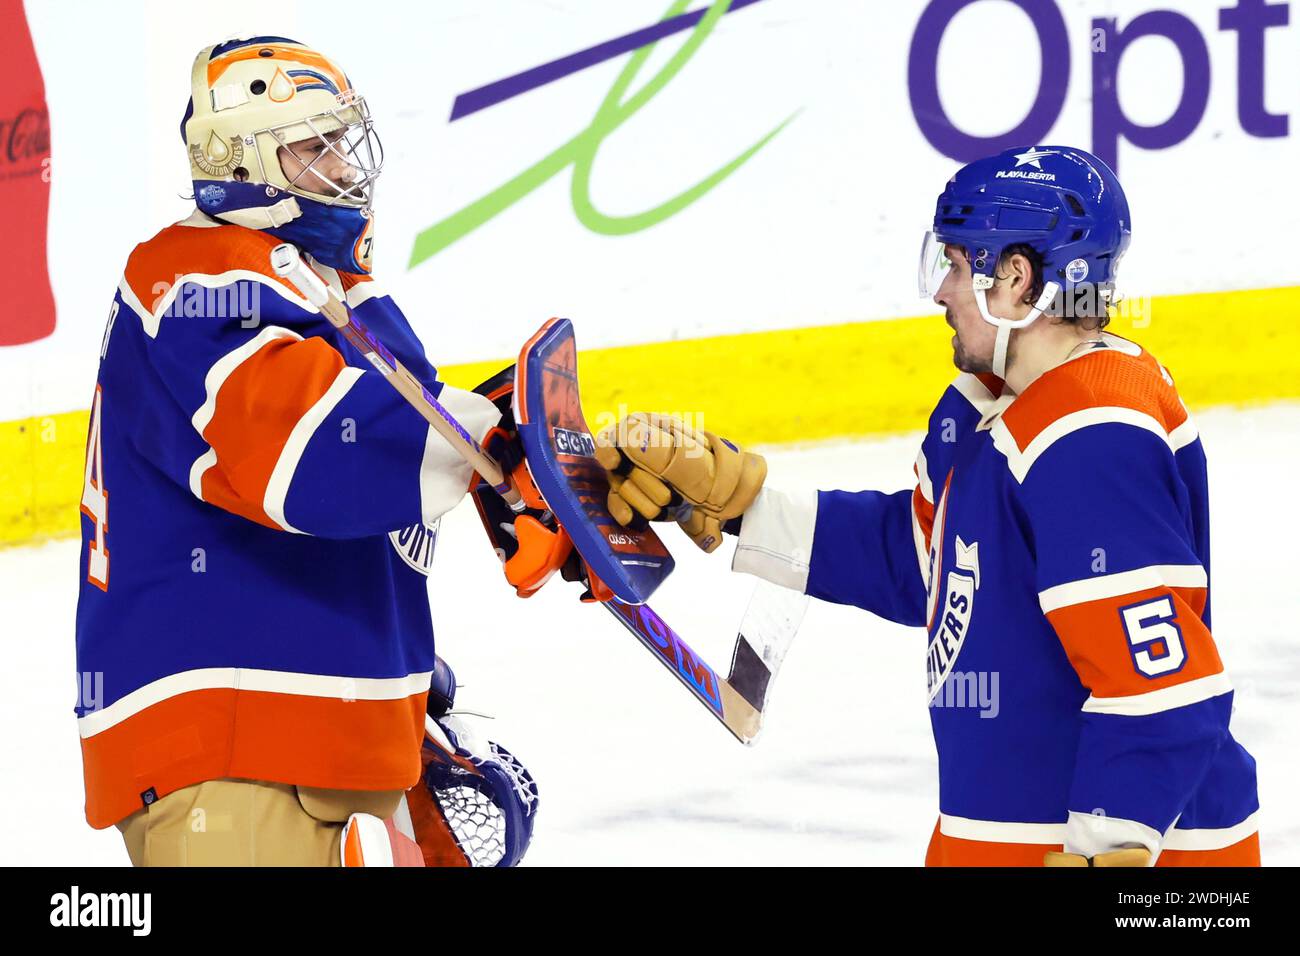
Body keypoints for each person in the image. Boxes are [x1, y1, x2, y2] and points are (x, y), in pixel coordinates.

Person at [594, 145, 1260, 867]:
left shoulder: (1089, 432)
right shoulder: (993, 402)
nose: (941, 290)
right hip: (996, 834)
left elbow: (1165, 678)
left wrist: (1107, 849)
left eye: (956, 263)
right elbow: (929, 562)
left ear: (1016, 280)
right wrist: (746, 507)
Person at [74, 36, 537, 867]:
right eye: (311, 146)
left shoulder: (322, 280)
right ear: (239, 162)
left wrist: (392, 690)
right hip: (224, 743)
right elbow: (311, 454)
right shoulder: (194, 280)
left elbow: (383, 484)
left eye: (339, 140)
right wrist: (492, 441)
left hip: (290, 727)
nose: (340, 165)